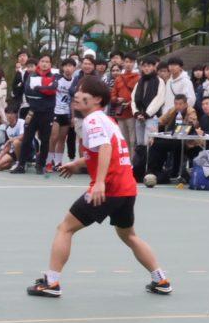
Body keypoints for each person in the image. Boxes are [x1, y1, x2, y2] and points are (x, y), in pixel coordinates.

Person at [27, 77, 170, 298]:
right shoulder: (106, 120)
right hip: (126, 188)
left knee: (65, 228)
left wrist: (100, 182)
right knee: (128, 235)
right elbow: (104, 150)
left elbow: (104, 148)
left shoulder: (92, 120)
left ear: (96, 99)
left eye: (82, 91)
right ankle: (160, 279)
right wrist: (77, 163)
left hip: (109, 188)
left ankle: (52, 282)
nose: (76, 94)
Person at [15, 53, 58, 174]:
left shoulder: (54, 76)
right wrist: (44, 90)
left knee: (45, 140)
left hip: (47, 112)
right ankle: (21, 165)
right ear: (39, 63)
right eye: (42, 61)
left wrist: (39, 89)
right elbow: (28, 91)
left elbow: (52, 90)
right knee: (27, 138)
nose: (44, 64)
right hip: (33, 111)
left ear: (50, 64)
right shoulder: (32, 75)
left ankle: (41, 165)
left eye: (47, 62)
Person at [45, 57, 78, 173]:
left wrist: (73, 116)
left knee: (62, 139)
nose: (68, 68)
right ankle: (49, 162)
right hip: (55, 112)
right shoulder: (57, 79)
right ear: (63, 67)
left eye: (70, 66)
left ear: (74, 68)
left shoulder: (75, 81)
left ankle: (58, 163)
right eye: (66, 66)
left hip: (66, 113)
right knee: (53, 137)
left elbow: (73, 100)